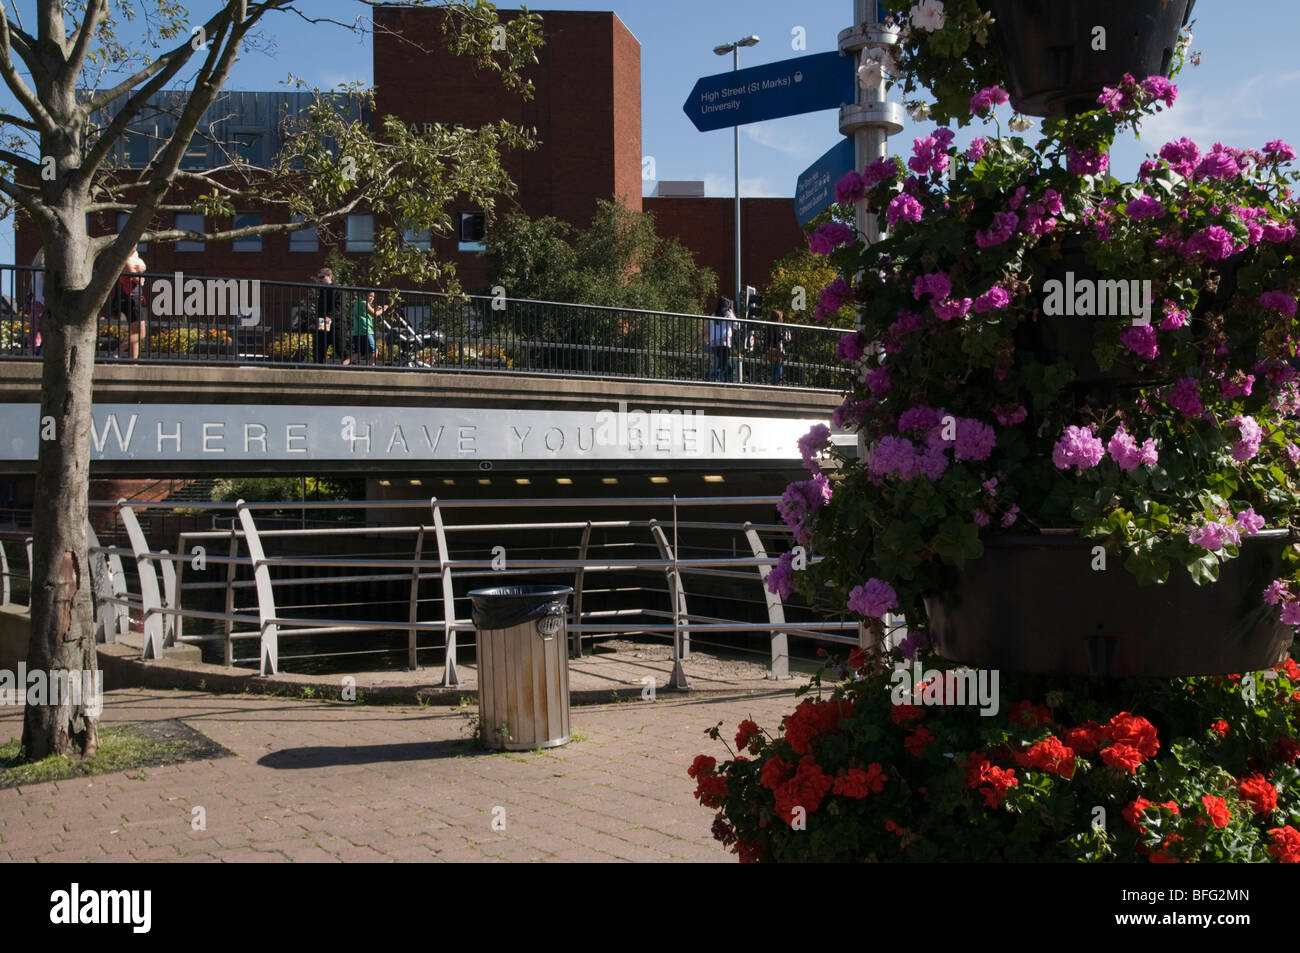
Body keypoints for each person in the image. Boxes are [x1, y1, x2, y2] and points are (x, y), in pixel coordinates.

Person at [113, 245, 147, 358]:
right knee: (141, 334)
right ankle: (115, 352)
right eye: (132, 243)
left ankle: (134, 363)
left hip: (134, 298)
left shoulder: (135, 258)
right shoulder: (126, 259)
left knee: (134, 333)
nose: (135, 246)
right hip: (131, 298)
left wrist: (140, 269)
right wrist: (140, 271)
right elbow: (136, 278)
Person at [313, 267, 348, 365]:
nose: (320, 280)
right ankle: (317, 367)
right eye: (319, 278)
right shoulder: (322, 290)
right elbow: (320, 307)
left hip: (336, 322)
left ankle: (347, 362)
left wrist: (330, 316)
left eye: (322, 277)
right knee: (319, 348)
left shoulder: (338, 289)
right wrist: (317, 320)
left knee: (339, 347)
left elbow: (339, 306)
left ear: (330, 276)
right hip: (323, 322)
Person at [702, 296, 739, 382]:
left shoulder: (713, 314)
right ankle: (715, 374)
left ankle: (727, 380)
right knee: (724, 362)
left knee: (726, 362)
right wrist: (733, 314)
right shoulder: (728, 314)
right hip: (725, 341)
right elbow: (737, 325)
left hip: (714, 342)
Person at [349, 289, 386, 366]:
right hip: (365, 331)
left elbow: (366, 315)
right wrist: (383, 309)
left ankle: (342, 365)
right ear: (364, 295)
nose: (372, 298)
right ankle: (371, 368)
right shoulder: (365, 303)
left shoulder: (357, 303)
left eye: (373, 297)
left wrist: (376, 310)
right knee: (374, 351)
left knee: (358, 353)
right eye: (370, 296)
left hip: (357, 332)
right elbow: (375, 314)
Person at [763, 308, 790, 385]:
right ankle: (775, 383)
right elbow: (779, 337)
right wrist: (786, 337)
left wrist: (764, 351)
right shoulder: (777, 326)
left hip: (771, 349)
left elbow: (766, 339)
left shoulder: (769, 326)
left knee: (775, 368)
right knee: (777, 367)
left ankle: (775, 383)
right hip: (776, 349)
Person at [27, 249, 44, 355]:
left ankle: (31, 352)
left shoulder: (34, 272)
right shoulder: (44, 272)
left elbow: (30, 291)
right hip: (42, 303)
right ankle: (35, 353)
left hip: (35, 303)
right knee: (40, 332)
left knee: (35, 330)